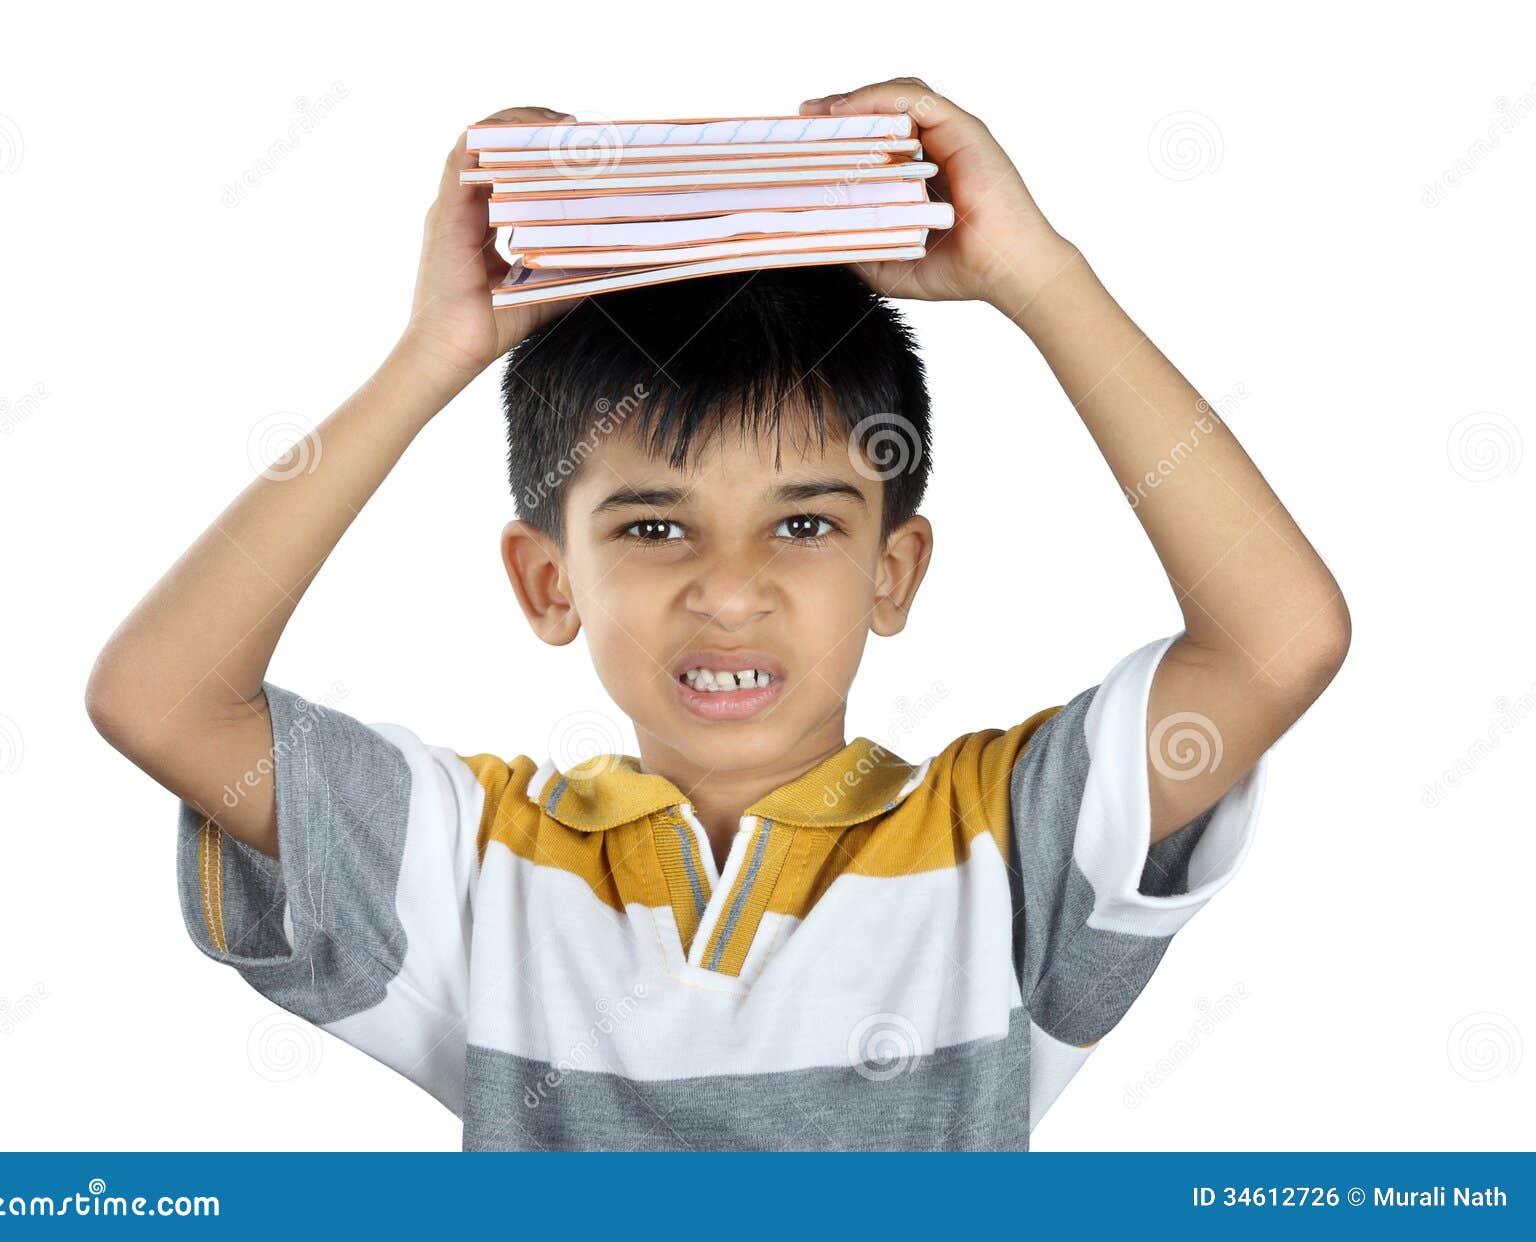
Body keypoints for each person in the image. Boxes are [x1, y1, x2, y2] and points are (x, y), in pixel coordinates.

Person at [85, 78, 1350, 1150]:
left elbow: (1276, 640)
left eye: (804, 525)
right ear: (548, 582)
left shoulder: (1009, 846)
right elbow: (160, 700)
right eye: (651, 526)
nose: (729, 589)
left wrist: (1037, 273)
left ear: (893, 571)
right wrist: (437, 350)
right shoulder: (474, 870)